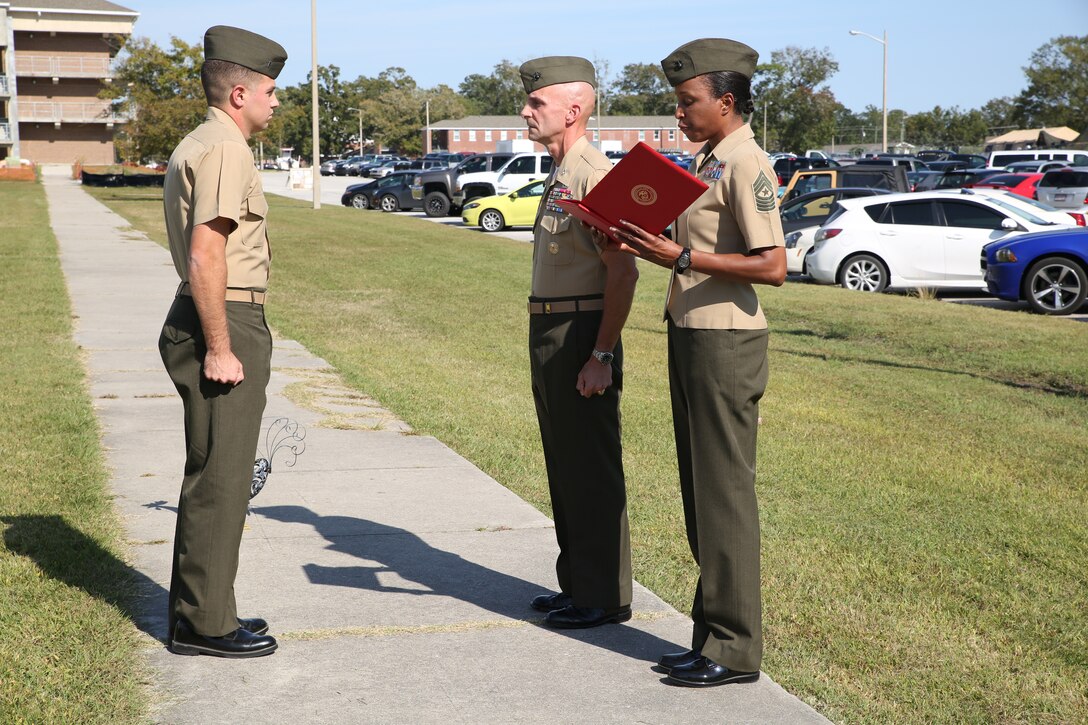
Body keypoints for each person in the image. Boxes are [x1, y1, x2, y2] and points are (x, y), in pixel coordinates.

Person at [601, 38, 786, 686]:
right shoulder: (707, 161)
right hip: (689, 333)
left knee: (726, 497)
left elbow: (773, 265)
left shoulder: (746, 162)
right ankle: (710, 634)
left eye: (688, 102)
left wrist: (679, 258)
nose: (678, 112)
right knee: (701, 497)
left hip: (725, 343)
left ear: (727, 102)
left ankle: (736, 650)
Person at [158, 25, 287, 658]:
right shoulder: (225, 149)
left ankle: (205, 608)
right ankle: (204, 624)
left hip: (218, 313)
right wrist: (219, 344)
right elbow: (210, 253)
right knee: (222, 477)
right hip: (224, 318)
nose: (276, 100)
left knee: (217, 470)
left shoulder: (203, 141)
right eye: (270, 89)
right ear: (239, 93)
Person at [519, 56, 640, 629]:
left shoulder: (596, 175)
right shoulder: (563, 171)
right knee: (565, 464)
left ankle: (605, 596)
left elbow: (623, 273)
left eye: (536, 103)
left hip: (581, 332)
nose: (525, 111)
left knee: (589, 465)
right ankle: (580, 583)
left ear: (573, 110)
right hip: (551, 328)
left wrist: (601, 354)